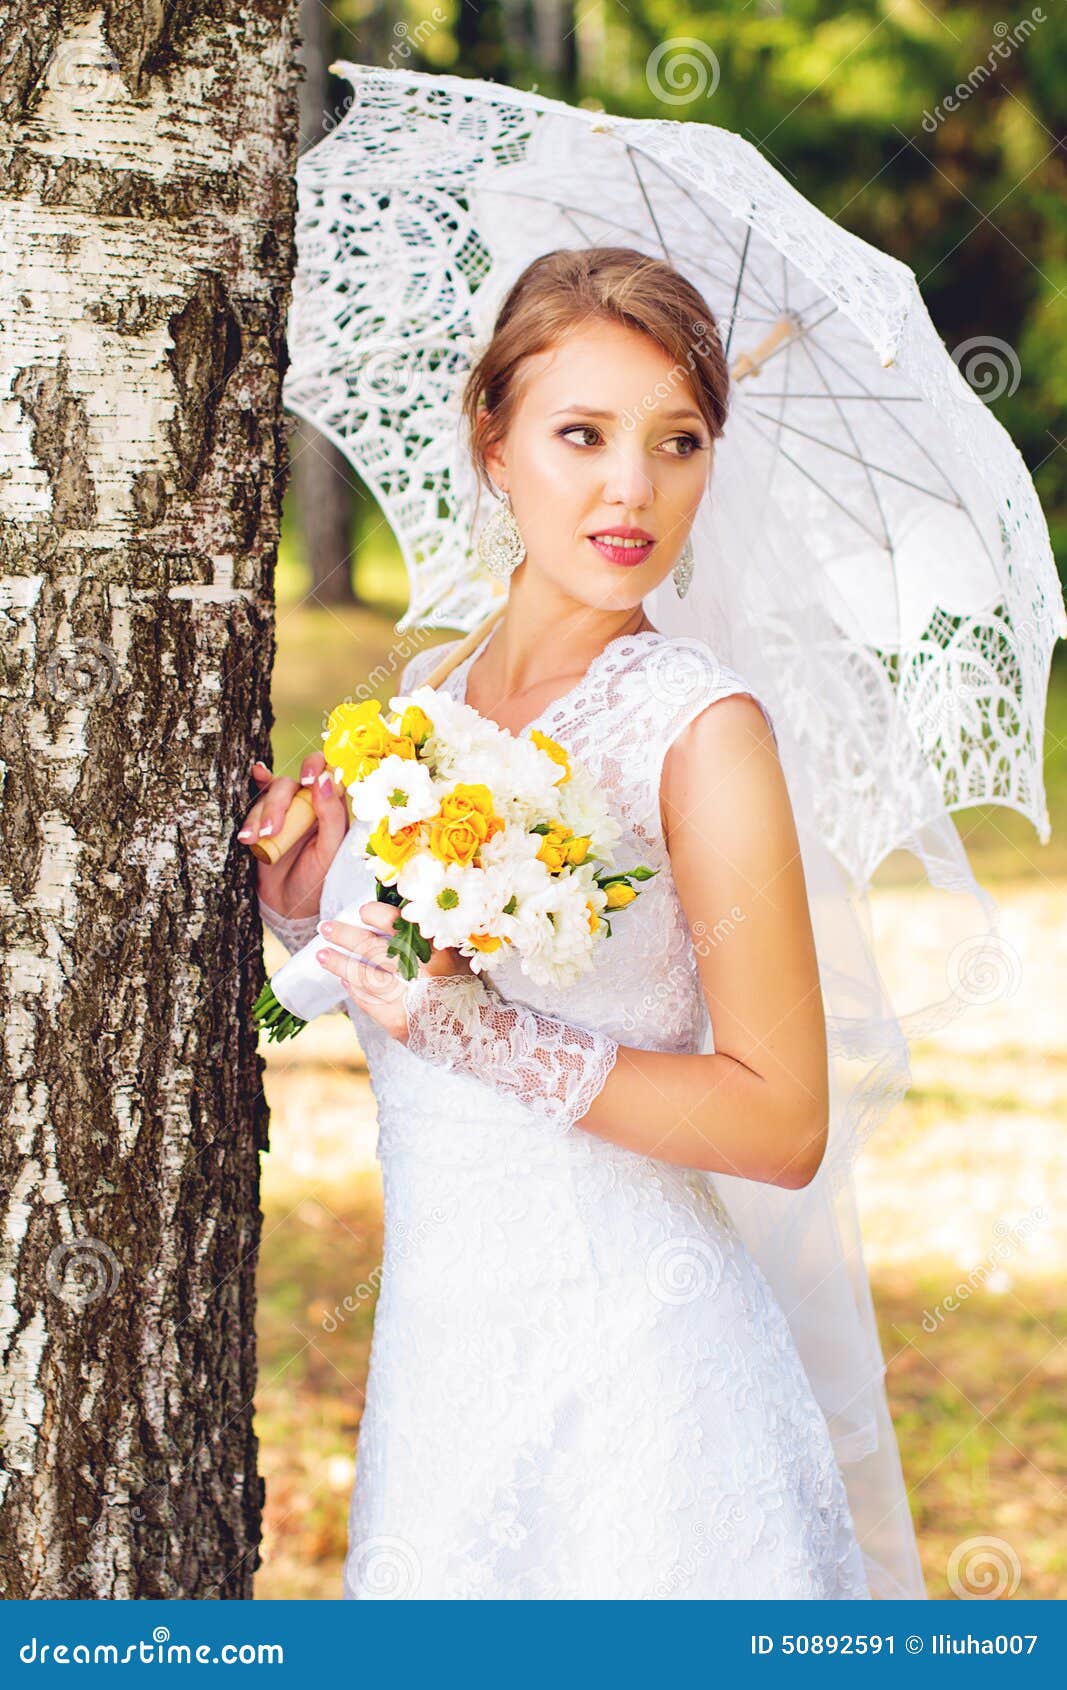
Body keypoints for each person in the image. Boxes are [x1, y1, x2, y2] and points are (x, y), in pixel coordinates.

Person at [240, 249, 878, 1598]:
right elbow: (417, 983)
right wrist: (311, 912)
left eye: (677, 441)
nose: (630, 490)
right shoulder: (424, 696)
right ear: (495, 438)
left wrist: (492, 1036)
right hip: (444, 1374)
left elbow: (783, 1118)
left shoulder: (700, 733)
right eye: (581, 433)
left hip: (641, 1388)